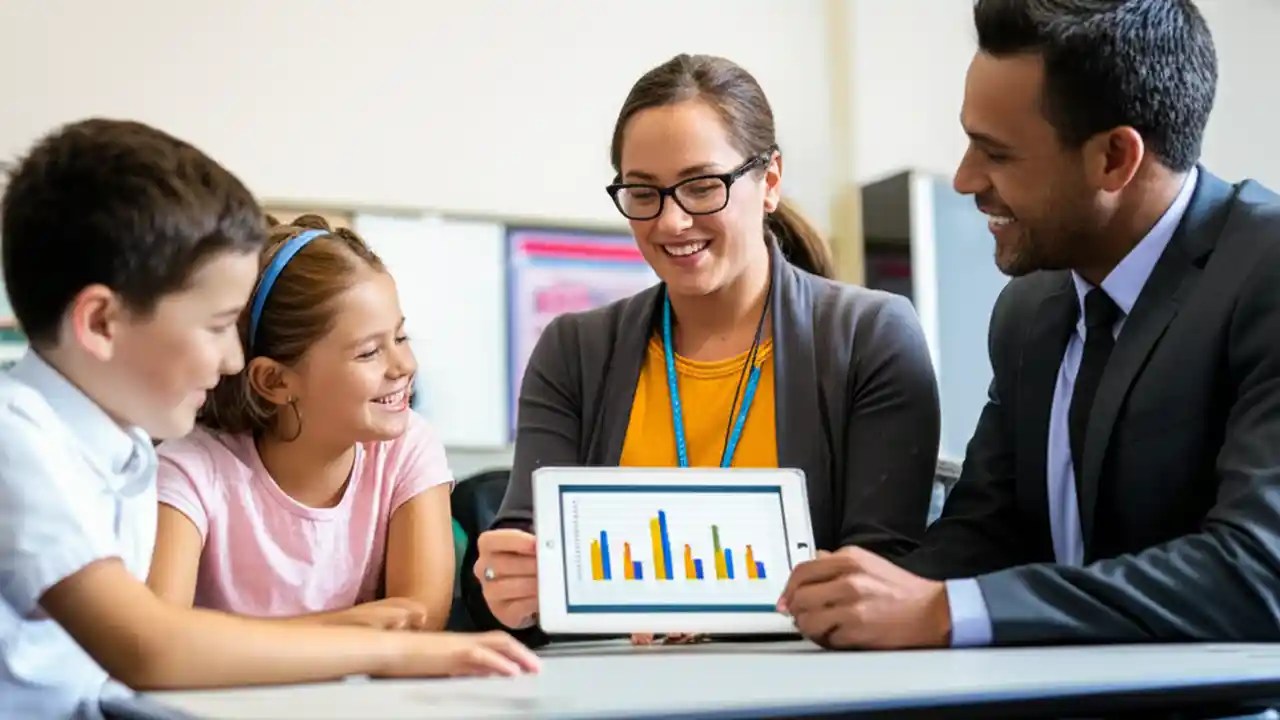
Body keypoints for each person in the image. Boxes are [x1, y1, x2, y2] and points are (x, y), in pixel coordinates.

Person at [781, 0, 1280, 649]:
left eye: (996, 153)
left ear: (1114, 159)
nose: (965, 179)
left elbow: (1256, 575)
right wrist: (822, 606)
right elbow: (985, 533)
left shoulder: (1263, 275)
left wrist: (941, 612)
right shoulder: (1030, 309)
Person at [0, 119, 537, 719]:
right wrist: (385, 651)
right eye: (214, 327)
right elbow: (153, 647)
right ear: (100, 323)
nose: (232, 359)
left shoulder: (118, 448)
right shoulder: (17, 444)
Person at [466, 53, 942, 646]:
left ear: (768, 182)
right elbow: (523, 548)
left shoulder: (871, 336)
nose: (671, 221)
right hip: (613, 687)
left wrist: (721, 610)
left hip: (808, 687)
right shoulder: (574, 351)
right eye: (643, 193)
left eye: (701, 187)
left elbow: (882, 574)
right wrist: (509, 586)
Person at [147, 215, 455, 632]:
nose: (404, 365)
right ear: (274, 380)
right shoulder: (190, 469)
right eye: (368, 353)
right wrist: (351, 627)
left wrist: (236, 644)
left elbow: (419, 621)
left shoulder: (408, 446)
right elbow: (162, 638)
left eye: (400, 338)